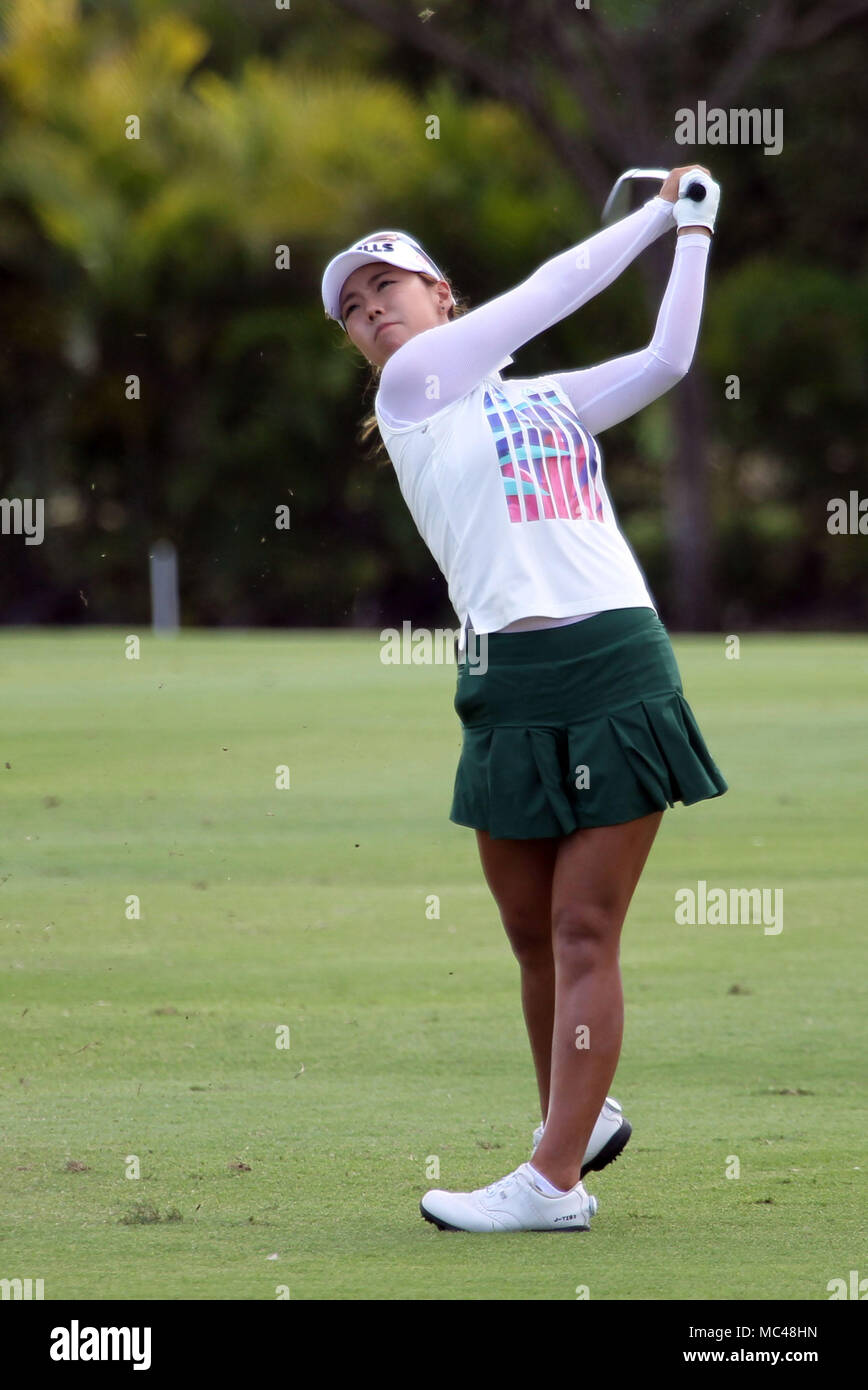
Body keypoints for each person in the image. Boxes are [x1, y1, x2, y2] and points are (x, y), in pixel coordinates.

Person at [320, 165, 728, 1233]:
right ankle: (578, 1112)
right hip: (503, 677)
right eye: (355, 312)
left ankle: (553, 1181)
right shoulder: (411, 393)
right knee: (529, 933)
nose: (371, 316)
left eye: (387, 290)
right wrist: (656, 209)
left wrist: (691, 226)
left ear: (439, 292)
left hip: (612, 663)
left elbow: (670, 357)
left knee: (583, 929)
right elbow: (549, 292)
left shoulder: (543, 398)